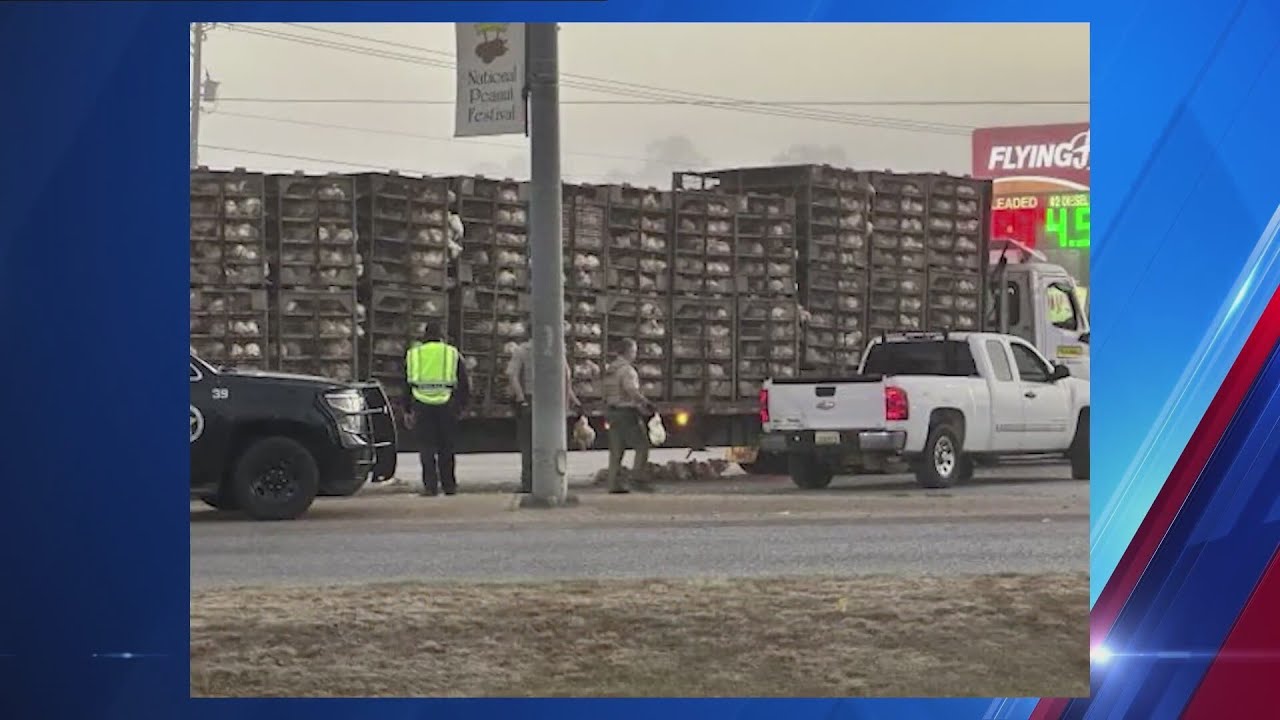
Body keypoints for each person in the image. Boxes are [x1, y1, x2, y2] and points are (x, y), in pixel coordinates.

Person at [506, 338, 581, 494]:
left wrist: (520, 398)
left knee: (528, 443)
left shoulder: (521, 350)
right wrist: (569, 401)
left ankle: (528, 483)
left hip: (531, 400)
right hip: (553, 401)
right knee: (553, 442)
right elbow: (566, 376)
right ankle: (553, 480)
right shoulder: (556, 349)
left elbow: (512, 375)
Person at [403, 323, 469, 496]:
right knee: (447, 446)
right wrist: (462, 405)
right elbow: (463, 382)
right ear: (442, 336)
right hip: (447, 404)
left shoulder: (414, 354)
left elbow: (406, 383)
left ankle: (430, 487)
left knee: (426, 447)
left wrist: (407, 409)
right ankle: (449, 486)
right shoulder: (451, 353)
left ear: (424, 336)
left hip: (421, 403)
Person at [601, 338, 654, 494]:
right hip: (626, 412)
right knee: (642, 445)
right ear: (628, 352)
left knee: (616, 449)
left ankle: (613, 484)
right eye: (634, 351)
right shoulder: (627, 370)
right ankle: (637, 479)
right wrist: (645, 403)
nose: (635, 355)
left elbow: (603, 391)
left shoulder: (610, 369)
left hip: (612, 411)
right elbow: (631, 390)